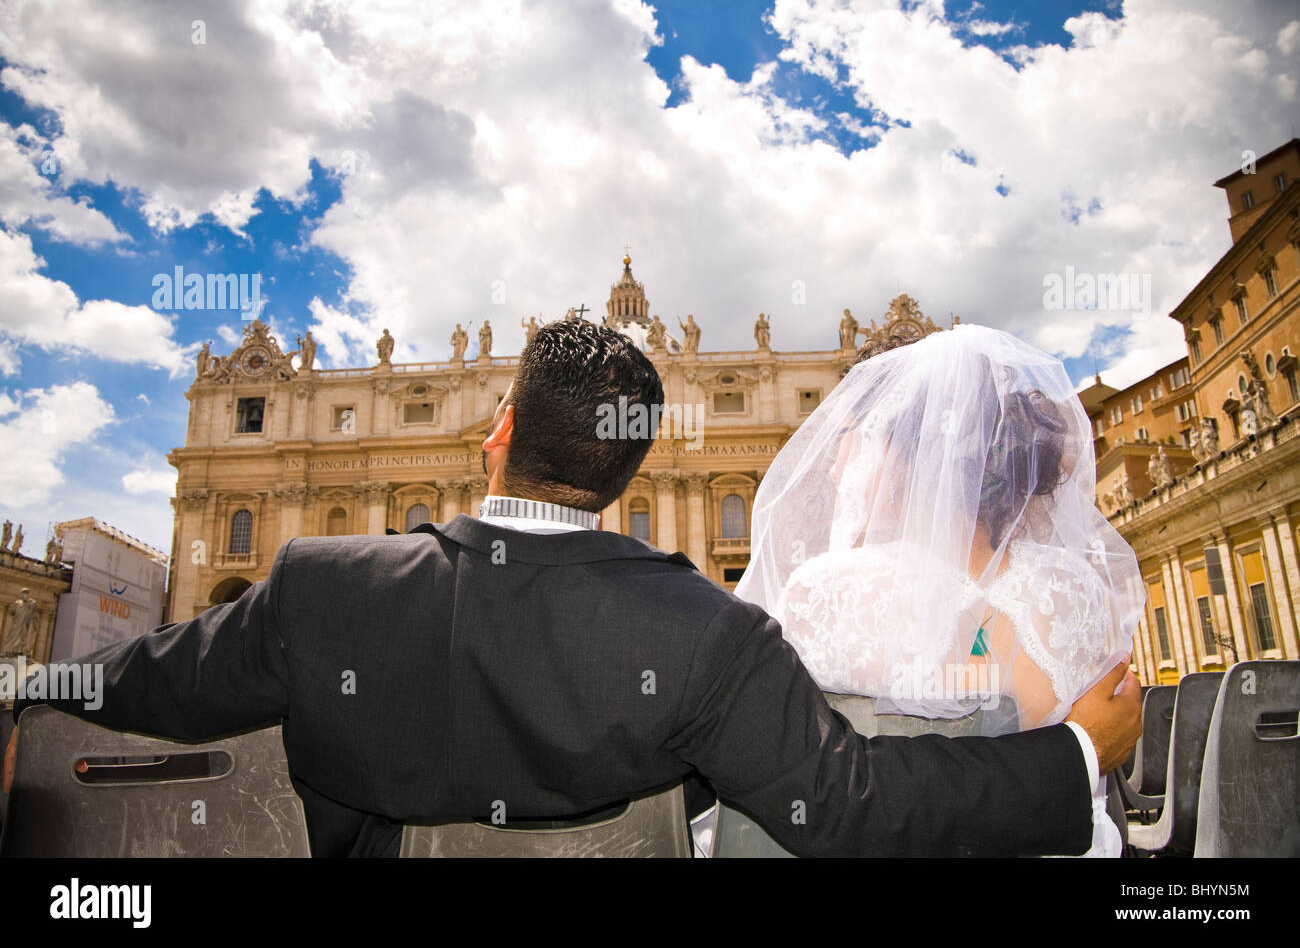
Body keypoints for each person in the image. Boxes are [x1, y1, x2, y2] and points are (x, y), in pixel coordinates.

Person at [6, 320, 1140, 857]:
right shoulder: (712, 629)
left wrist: (21, 685)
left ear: (493, 435)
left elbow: (137, 683)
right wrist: (1074, 756)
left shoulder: (319, 590)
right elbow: (842, 802)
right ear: (632, 469)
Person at [737, 323, 1145, 856]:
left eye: (854, 442)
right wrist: (1081, 752)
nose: (836, 467)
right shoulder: (1078, 590)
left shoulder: (821, 593)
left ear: (910, 455)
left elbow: (806, 783)